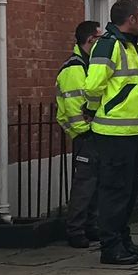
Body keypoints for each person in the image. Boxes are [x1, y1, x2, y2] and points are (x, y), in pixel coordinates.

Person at [86, 0, 138, 267]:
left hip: (132, 130)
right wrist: (91, 110)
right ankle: (111, 247)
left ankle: (124, 241)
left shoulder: (131, 46)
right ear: (131, 19)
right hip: (114, 132)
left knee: (127, 192)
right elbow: (93, 86)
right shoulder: (109, 44)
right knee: (114, 191)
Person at [57, 20, 102, 249]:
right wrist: (85, 132)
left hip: (92, 133)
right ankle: (75, 230)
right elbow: (75, 107)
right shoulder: (75, 68)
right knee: (84, 185)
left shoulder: (88, 64)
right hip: (85, 135)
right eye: (99, 38)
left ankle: (90, 226)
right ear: (90, 40)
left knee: (94, 184)